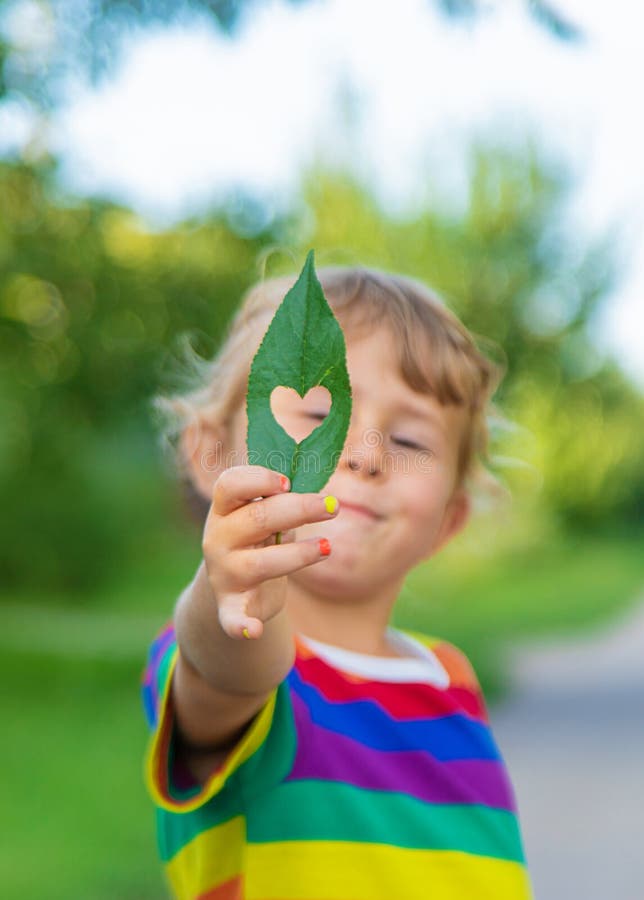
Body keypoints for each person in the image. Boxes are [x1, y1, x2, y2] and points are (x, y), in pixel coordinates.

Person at [141, 264, 534, 900]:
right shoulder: (234, 651)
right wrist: (231, 596)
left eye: (409, 438)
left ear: (448, 519)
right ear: (210, 453)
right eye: (318, 408)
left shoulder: (447, 676)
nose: (364, 453)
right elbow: (229, 667)